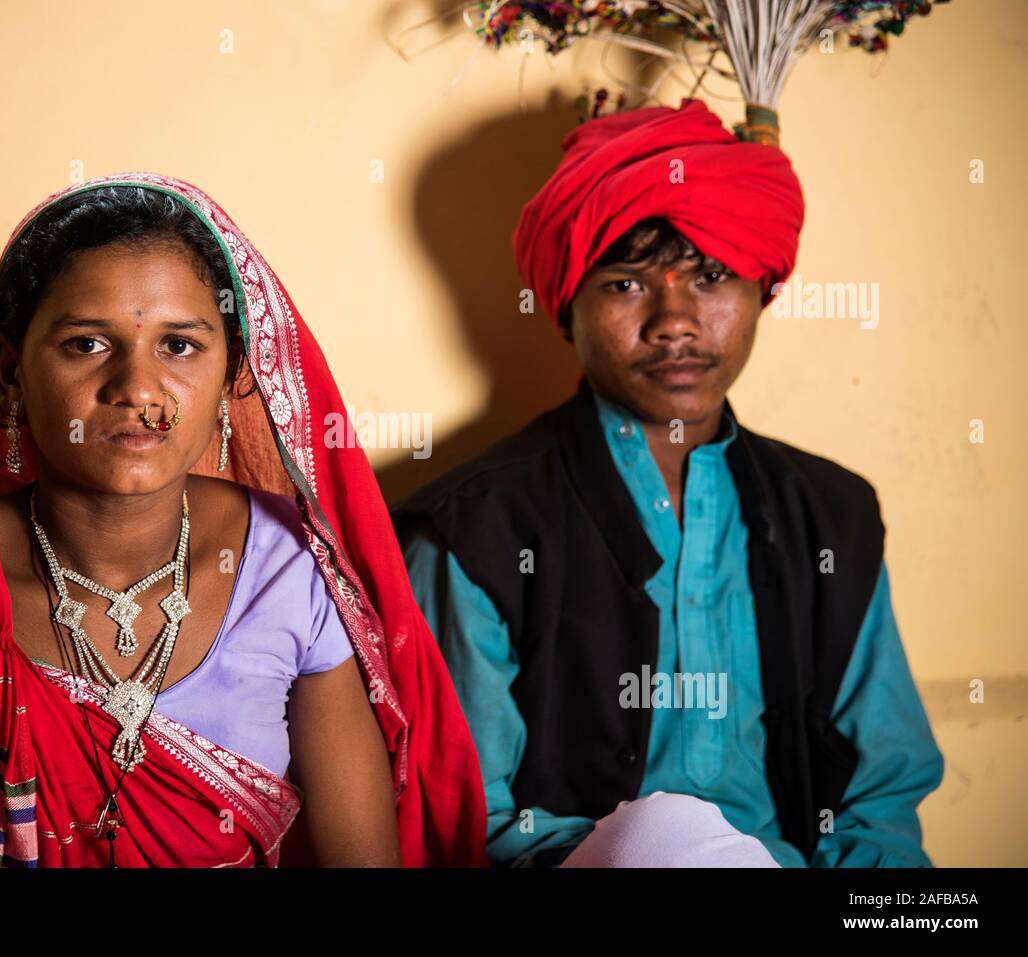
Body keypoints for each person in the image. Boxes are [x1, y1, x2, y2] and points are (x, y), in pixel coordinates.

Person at [0, 173, 487, 868]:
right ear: (7, 373)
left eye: (181, 345)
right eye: (86, 343)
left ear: (233, 378)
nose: (137, 386)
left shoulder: (287, 567)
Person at [393, 99, 944, 868]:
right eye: (625, 284)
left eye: (712, 276)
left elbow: (880, 797)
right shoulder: (475, 530)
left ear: (764, 289)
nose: (675, 321)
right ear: (565, 308)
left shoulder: (833, 516)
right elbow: (467, 816)